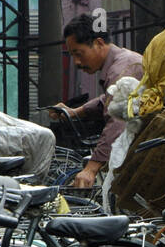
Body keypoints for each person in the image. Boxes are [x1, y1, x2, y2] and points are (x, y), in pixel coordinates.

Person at [53, 14, 144, 189]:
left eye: (79, 54)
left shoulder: (120, 70)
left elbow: (118, 121)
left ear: (99, 43)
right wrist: (75, 112)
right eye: (72, 55)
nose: (77, 62)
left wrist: (91, 169)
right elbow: (108, 100)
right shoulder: (121, 63)